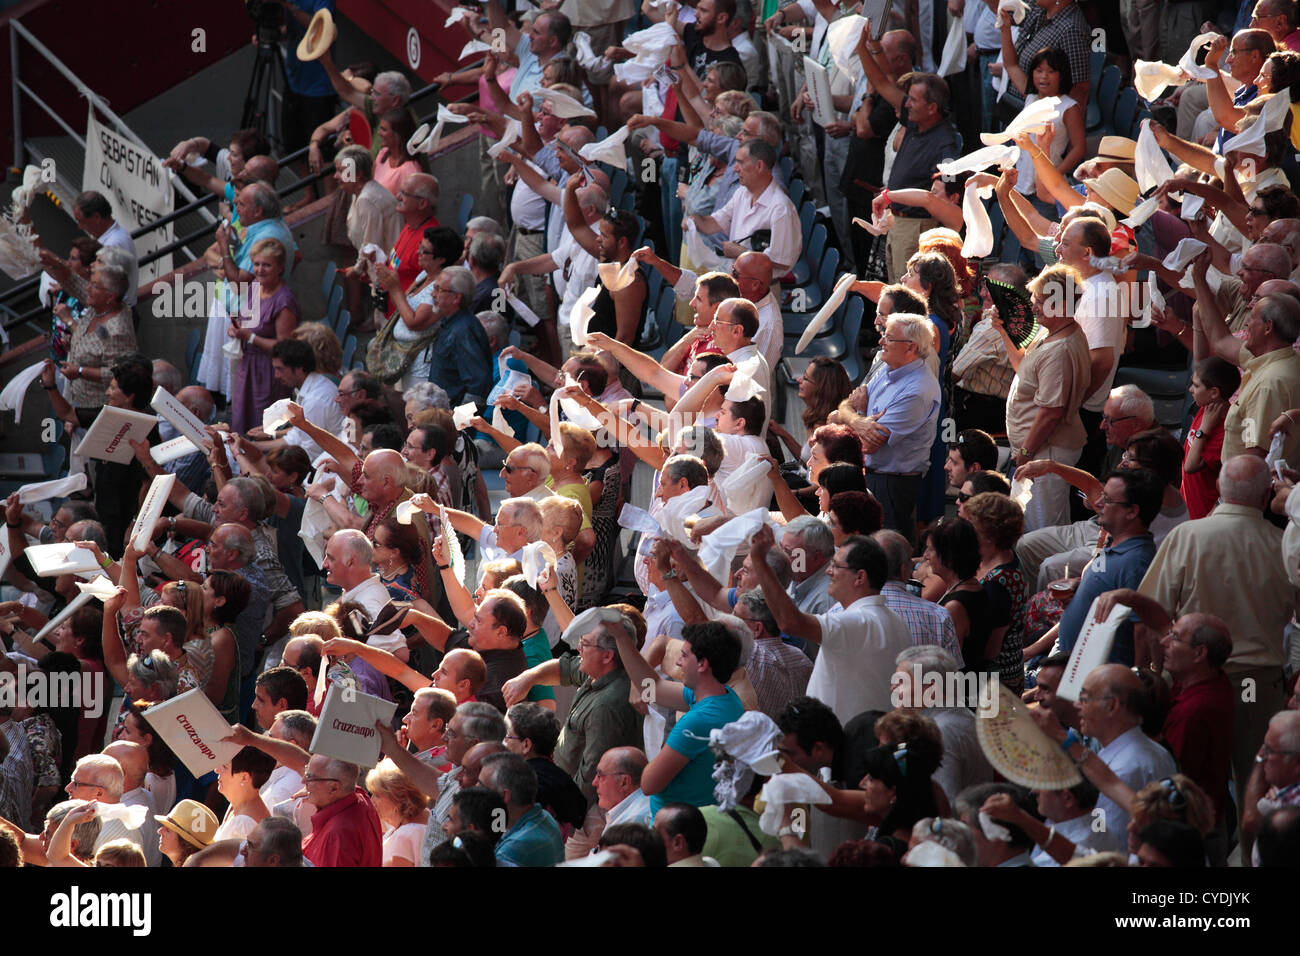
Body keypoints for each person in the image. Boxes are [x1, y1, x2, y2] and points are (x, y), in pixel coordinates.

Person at [750, 526, 912, 722]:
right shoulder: (893, 620)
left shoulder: (859, 622)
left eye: (835, 566)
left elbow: (789, 622)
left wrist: (759, 559)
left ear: (860, 577)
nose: (828, 571)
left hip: (844, 743)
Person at [610, 618, 744, 813]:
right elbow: (652, 688)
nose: (678, 662)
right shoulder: (728, 698)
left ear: (702, 664)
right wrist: (621, 637)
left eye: (684, 656)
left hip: (676, 833)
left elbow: (648, 785)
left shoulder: (695, 723)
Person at [1005, 264, 1092, 530]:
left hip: (1045, 450)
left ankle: (1045, 573)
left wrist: (1025, 452)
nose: (1034, 308)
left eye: (1040, 302)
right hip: (1041, 450)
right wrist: (1002, 332)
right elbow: (1024, 369)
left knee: (1040, 528)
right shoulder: (1052, 331)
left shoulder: (1060, 349)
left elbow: (1051, 411)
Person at [855, 313, 941, 544]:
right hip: (875, 476)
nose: (881, 341)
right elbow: (846, 405)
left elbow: (869, 445)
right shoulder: (886, 368)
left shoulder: (917, 390)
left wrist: (858, 415)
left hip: (893, 484)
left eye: (888, 337)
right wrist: (858, 420)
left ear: (910, 347)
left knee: (886, 550)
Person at [228, 238, 299, 435]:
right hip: (247, 367)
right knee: (242, 422)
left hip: (269, 371)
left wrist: (249, 337)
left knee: (263, 427)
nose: (259, 270)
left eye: (267, 265)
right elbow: (247, 322)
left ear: (280, 267)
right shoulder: (254, 288)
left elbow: (284, 347)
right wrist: (235, 329)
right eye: (256, 264)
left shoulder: (284, 300)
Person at [479, 751, 564, 866]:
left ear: (504, 796)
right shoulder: (543, 816)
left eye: (481, 786)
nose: (475, 790)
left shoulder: (513, 849)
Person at [1182, 356, 1241, 520]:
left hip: (1203, 512)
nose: (1190, 390)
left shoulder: (1224, 429)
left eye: (1196, 385)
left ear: (1214, 392)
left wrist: (1204, 430)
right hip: (1187, 505)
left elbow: (1190, 466)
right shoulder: (1206, 409)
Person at [300, 754, 383, 867]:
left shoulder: (336, 836)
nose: (303, 781)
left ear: (334, 788)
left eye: (310, 777)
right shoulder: (361, 798)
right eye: (306, 771)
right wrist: (318, 790)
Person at [366, 758, 430, 866]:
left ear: (397, 798)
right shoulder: (425, 815)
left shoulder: (404, 836)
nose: (372, 801)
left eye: (377, 795)